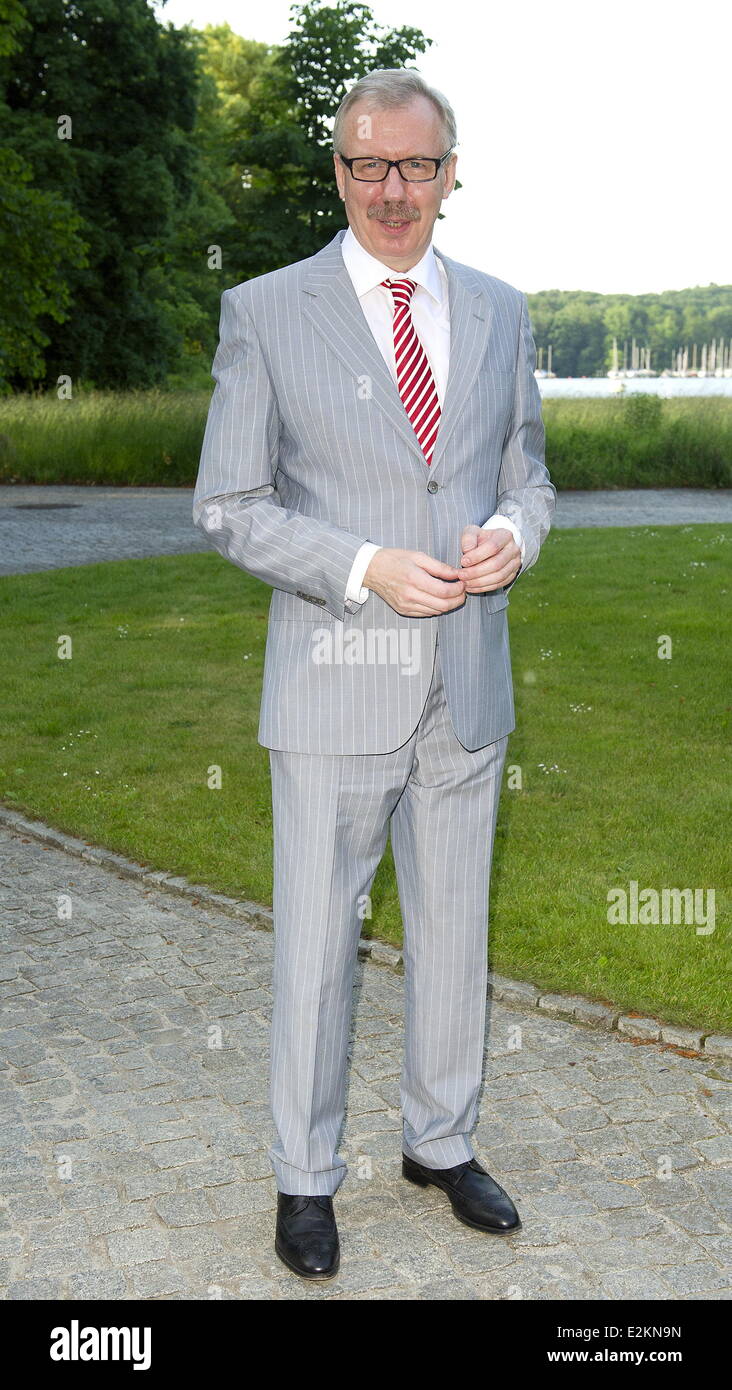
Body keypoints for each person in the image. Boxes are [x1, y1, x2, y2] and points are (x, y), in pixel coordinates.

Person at [192, 67, 556, 1281]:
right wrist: (361, 566)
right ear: (338, 172)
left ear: (453, 174)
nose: (393, 190)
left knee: (457, 930)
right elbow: (229, 504)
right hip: (334, 679)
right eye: (367, 165)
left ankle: (440, 1142)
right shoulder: (266, 309)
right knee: (318, 942)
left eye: (417, 165)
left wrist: (520, 532)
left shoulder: (503, 309)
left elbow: (529, 473)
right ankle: (305, 1178)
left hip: (471, 678)